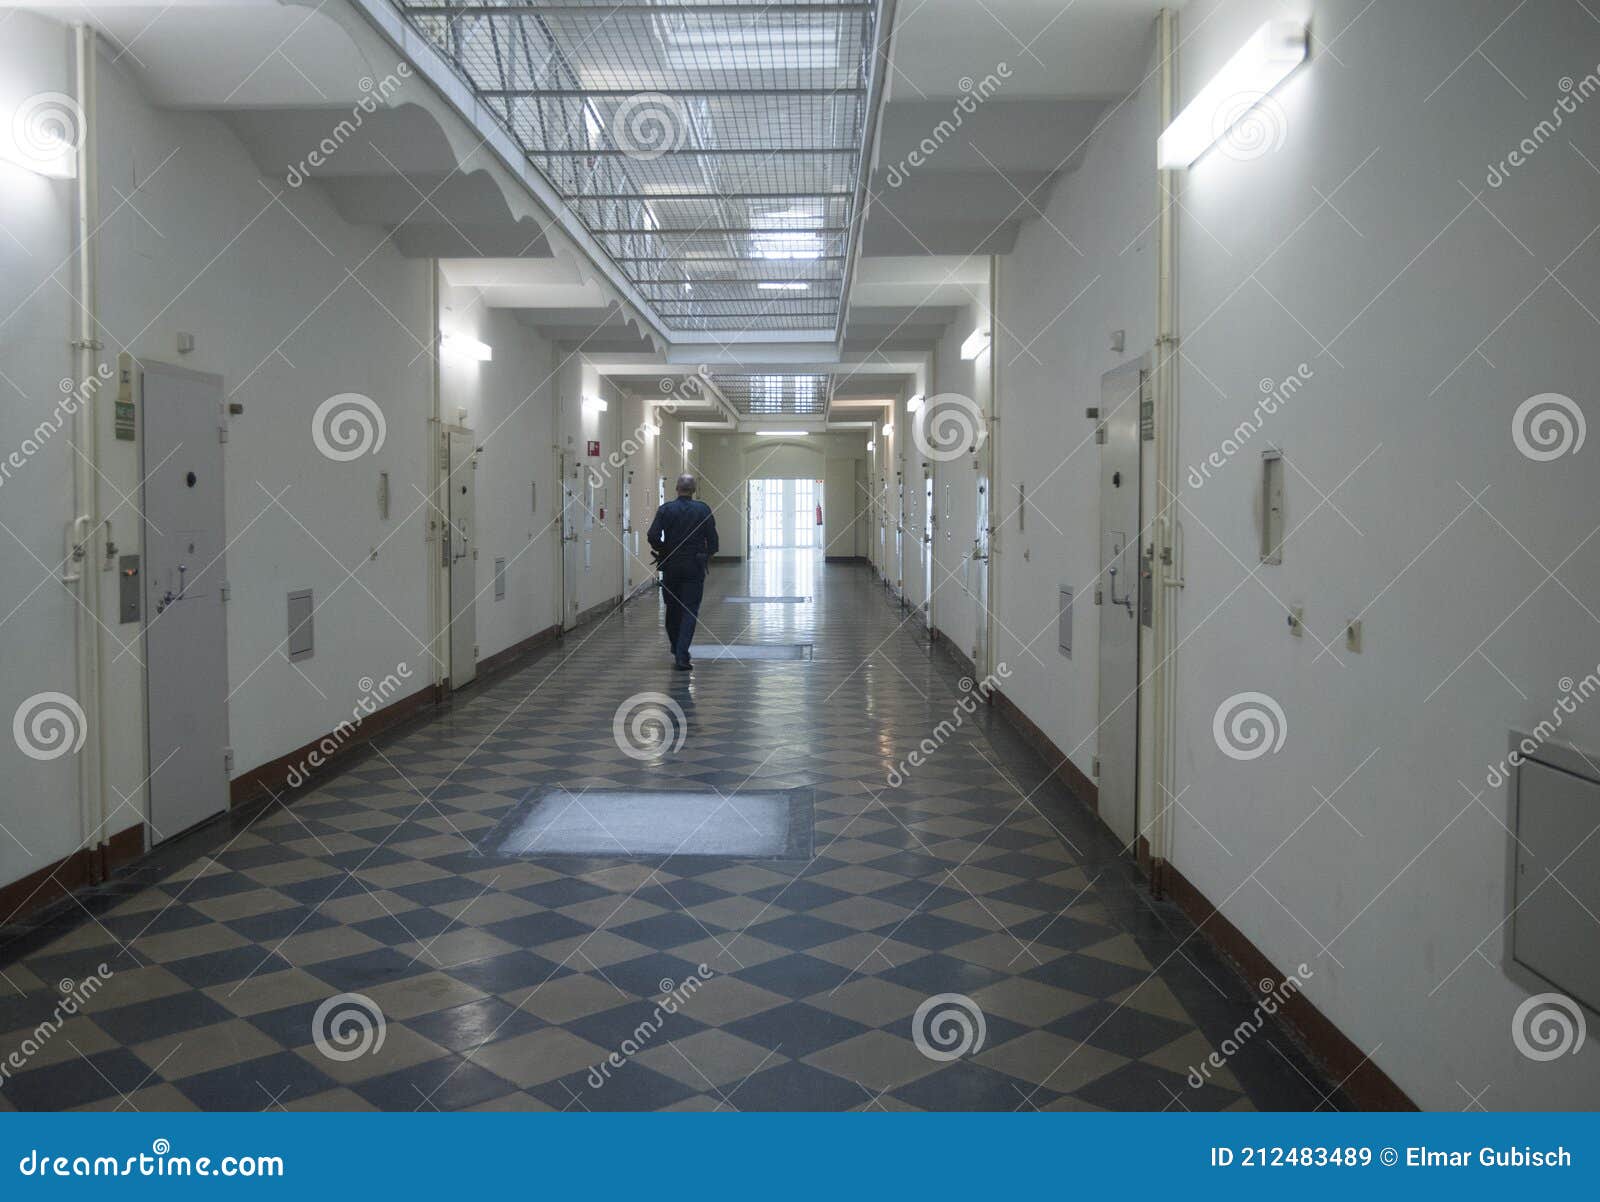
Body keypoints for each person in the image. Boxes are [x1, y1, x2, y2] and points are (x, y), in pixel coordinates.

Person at [647, 474, 719, 670]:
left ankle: (676, 647)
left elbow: (652, 535)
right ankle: (681, 653)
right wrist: (706, 554)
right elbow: (713, 540)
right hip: (694, 566)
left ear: (677, 489)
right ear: (694, 490)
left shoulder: (666, 509)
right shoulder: (703, 509)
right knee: (689, 610)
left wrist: (663, 549)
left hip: (671, 566)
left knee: (672, 607)